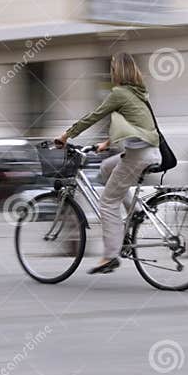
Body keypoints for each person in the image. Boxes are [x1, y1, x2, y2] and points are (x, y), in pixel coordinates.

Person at [56, 53, 160, 274]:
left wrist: (66, 135)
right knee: (106, 168)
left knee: (107, 202)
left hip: (137, 156)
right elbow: (135, 124)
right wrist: (107, 143)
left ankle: (110, 256)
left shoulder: (120, 93)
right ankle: (136, 210)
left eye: (113, 69)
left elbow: (94, 115)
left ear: (118, 71)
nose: (111, 72)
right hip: (149, 151)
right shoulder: (138, 93)